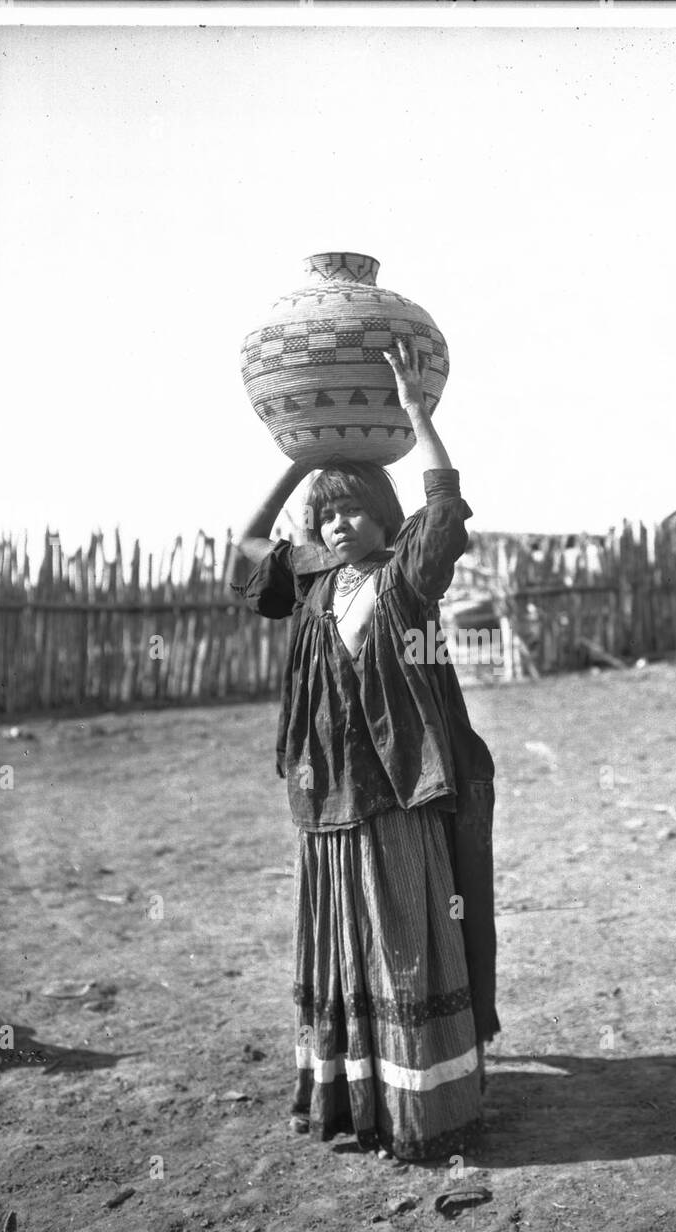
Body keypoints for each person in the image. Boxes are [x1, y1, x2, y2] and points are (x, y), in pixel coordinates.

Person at [233, 338, 499, 1162]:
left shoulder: (404, 578)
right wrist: (295, 465)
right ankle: (354, 1101)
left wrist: (419, 418)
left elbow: (446, 514)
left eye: (351, 509)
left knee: (406, 939)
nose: (338, 523)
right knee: (342, 942)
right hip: (327, 799)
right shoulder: (312, 583)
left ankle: (423, 1107)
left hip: (398, 797)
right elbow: (243, 564)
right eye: (326, 514)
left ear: (384, 518)